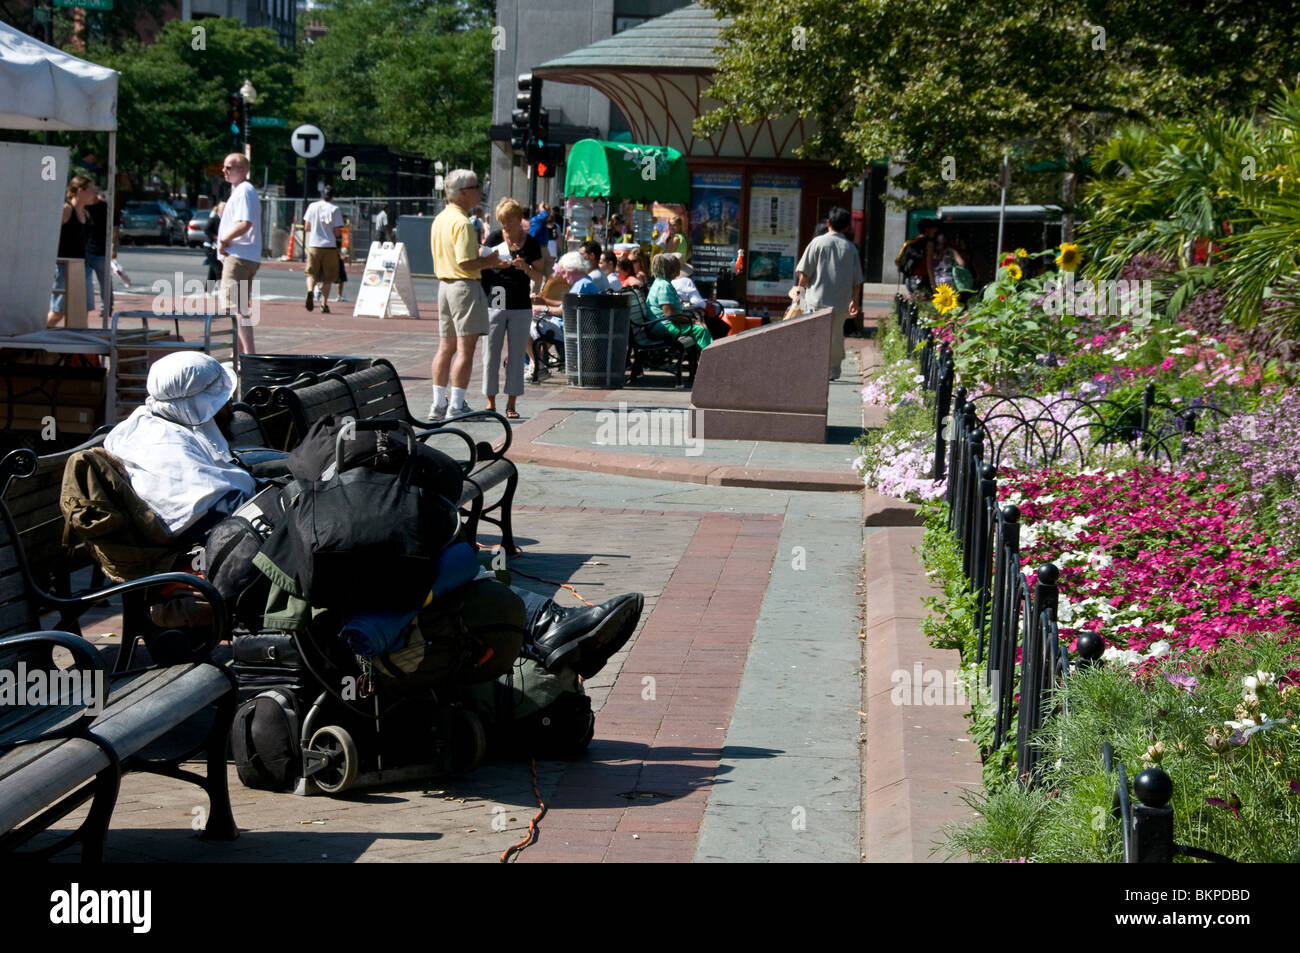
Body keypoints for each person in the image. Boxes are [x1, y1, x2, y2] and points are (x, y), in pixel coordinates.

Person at [104, 352, 256, 540]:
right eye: (223, 400)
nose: (230, 405)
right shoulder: (164, 445)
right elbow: (208, 508)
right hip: (205, 543)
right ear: (198, 406)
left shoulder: (160, 418)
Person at [429, 169, 506, 420]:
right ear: (463, 193)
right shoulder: (462, 222)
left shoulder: (441, 218)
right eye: (475, 187)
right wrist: (491, 261)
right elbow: (465, 262)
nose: (479, 192)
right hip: (464, 287)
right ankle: (457, 405)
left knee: (445, 348)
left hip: (444, 286)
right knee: (465, 349)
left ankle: (438, 403)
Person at [481, 198, 544, 419]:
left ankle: (511, 403)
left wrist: (525, 267)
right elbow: (481, 268)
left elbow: (539, 276)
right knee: (491, 353)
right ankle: (490, 402)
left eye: (509, 221)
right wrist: (494, 263)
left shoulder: (532, 243)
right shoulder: (494, 239)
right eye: (502, 222)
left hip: (520, 303)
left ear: (519, 220)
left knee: (517, 355)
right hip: (496, 299)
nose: (505, 227)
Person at [794, 206, 863, 381]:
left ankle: (813, 366)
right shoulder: (851, 248)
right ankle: (833, 370)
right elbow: (857, 280)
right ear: (847, 227)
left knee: (813, 334)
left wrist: (798, 301)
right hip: (840, 301)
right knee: (836, 336)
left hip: (816, 299)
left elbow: (804, 274)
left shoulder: (817, 243)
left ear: (828, 223)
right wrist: (854, 301)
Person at [217, 153, 261, 353]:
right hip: (246, 255)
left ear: (242, 170)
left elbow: (245, 223)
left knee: (236, 308)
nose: (224, 171)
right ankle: (241, 354)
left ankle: (247, 355)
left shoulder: (244, 190)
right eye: (224, 167)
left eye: (229, 167)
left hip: (239, 255)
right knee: (239, 308)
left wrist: (224, 240)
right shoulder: (242, 191)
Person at [47, 175, 94, 328]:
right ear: (80, 191)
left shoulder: (86, 214)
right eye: (91, 190)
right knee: (58, 312)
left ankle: (78, 350)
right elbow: (49, 233)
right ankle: (32, 342)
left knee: (82, 311)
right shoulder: (66, 210)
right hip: (64, 266)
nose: (94, 193)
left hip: (82, 267)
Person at [647, 253, 711, 350]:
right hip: (662, 326)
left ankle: (705, 359)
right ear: (672, 269)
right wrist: (693, 321)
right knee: (701, 330)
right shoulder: (664, 286)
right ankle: (711, 361)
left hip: (661, 324)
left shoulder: (660, 281)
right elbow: (670, 315)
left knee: (699, 327)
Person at [303, 186, 343, 313]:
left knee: (311, 273)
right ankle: (324, 304)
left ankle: (310, 291)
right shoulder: (335, 209)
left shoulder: (312, 206)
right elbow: (337, 232)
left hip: (314, 244)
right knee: (328, 277)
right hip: (329, 246)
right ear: (333, 196)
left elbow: (307, 227)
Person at [84, 187, 120, 322]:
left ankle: (107, 308)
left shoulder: (107, 209)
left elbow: (115, 229)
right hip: (85, 252)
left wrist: (113, 247)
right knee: (84, 281)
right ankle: (85, 307)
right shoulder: (85, 207)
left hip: (101, 251)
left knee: (105, 281)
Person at [203, 201, 225, 291]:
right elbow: (206, 229)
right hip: (211, 247)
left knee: (212, 270)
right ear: (221, 210)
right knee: (219, 269)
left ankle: (207, 291)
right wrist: (215, 237)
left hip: (217, 247)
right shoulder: (215, 218)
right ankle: (222, 291)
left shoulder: (224, 220)